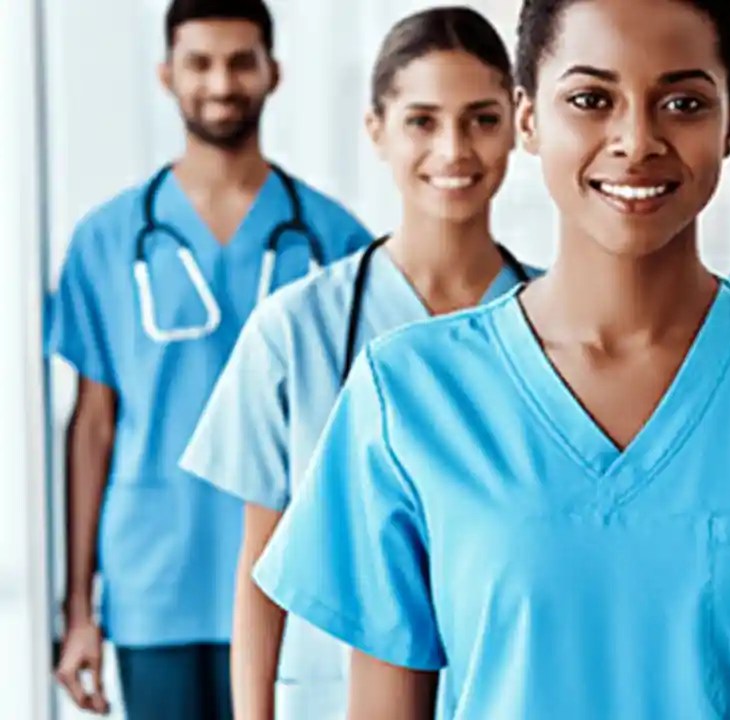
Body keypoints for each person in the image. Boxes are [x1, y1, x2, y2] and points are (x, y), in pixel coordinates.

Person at [254, 0, 730, 717]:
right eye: (590, 100)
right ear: (527, 118)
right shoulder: (408, 394)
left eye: (683, 103)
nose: (637, 139)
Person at [178, 7, 541, 720]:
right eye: (421, 120)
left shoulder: (558, 326)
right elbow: (262, 569)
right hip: (333, 698)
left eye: (481, 118)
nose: (454, 148)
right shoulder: (298, 329)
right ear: (375, 129)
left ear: (520, 124)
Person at [46, 1, 372, 717]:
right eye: (200, 62)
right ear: (167, 74)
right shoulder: (107, 239)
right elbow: (92, 427)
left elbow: (362, 434)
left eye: (239, 61)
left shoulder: (335, 240)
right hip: (153, 581)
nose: (220, 82)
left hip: (293, 578)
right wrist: (78, 610)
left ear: (272, 73)